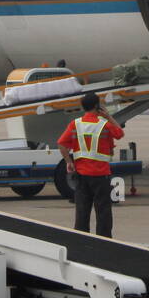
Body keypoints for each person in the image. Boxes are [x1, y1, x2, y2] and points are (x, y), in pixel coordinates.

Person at [57, 92, 125, 237]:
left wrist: (69, 162)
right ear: (97, 106)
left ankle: (82, 241)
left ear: (83, 106)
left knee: (82, 211)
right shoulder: (104, 124)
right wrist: (108, 116)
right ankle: (104, 241)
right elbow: (119, 134)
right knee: (103, 212)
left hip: (81, 175)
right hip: (101, 175)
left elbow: (61, 144)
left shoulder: (75, 124)